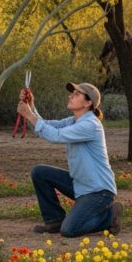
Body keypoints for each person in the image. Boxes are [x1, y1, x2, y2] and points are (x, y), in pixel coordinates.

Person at [16, 81, 123, 237]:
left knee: (69, 230)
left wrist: (30, 115)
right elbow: (45, 126)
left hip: (99, 192)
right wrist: (31, 107)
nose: (70, 96)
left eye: (76, 94)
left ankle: (110, 216)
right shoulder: (73, 121)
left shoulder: (90, 125)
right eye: (72, 93)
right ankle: (54, 221)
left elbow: (56, 136)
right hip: (81, 186)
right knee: (39, 173)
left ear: (88, 103)